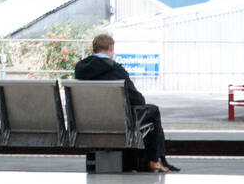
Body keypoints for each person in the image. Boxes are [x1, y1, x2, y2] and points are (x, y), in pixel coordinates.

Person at [73, 33, 179, 173]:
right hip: (118, 121)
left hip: (89, 121)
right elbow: (137, 100)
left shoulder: (80, 70)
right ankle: (154, 160)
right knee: (153, 111)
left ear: (94, 49)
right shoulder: (115, 69)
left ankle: (150, 161)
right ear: (111, 47)